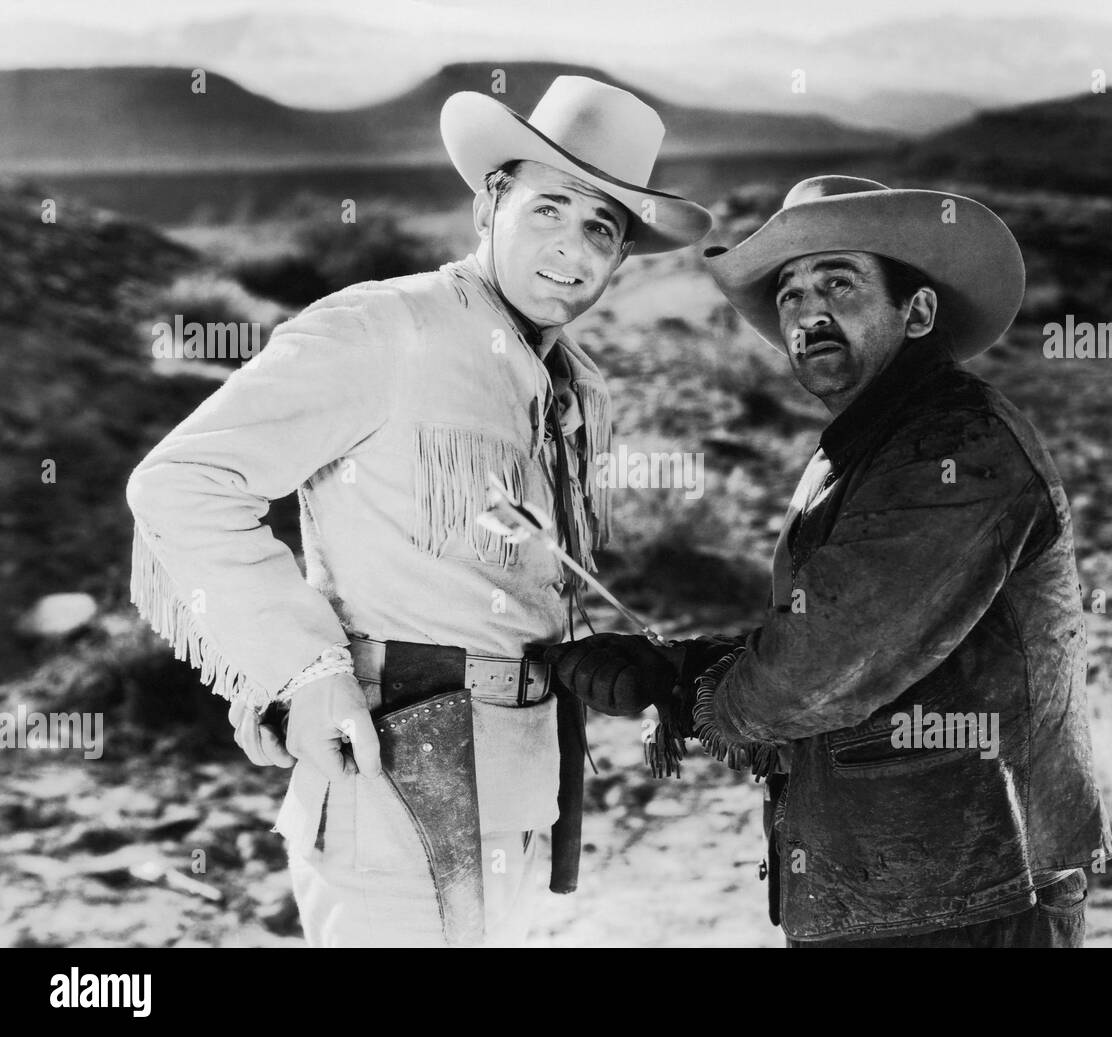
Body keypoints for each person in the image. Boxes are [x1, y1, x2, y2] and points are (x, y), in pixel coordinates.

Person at [125, 75, 711, 947]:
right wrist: (304, 673)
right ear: (490, 203)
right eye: (550, 209)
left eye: (603, 228)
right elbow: (183, 480)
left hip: (513, 786)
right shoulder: (387, 328)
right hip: (392, 777)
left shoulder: (563, 384)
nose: (573, 249)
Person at [545, 175, 1112, 947]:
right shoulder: (860, 451)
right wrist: (674, 670)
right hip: (898, 890)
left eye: (838, 284)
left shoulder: (955, 445)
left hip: (970, 899)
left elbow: (831, 658)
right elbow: (833, 641)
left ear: (917, 312)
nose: (807, 313)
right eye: (788, 295)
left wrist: (694, 691)